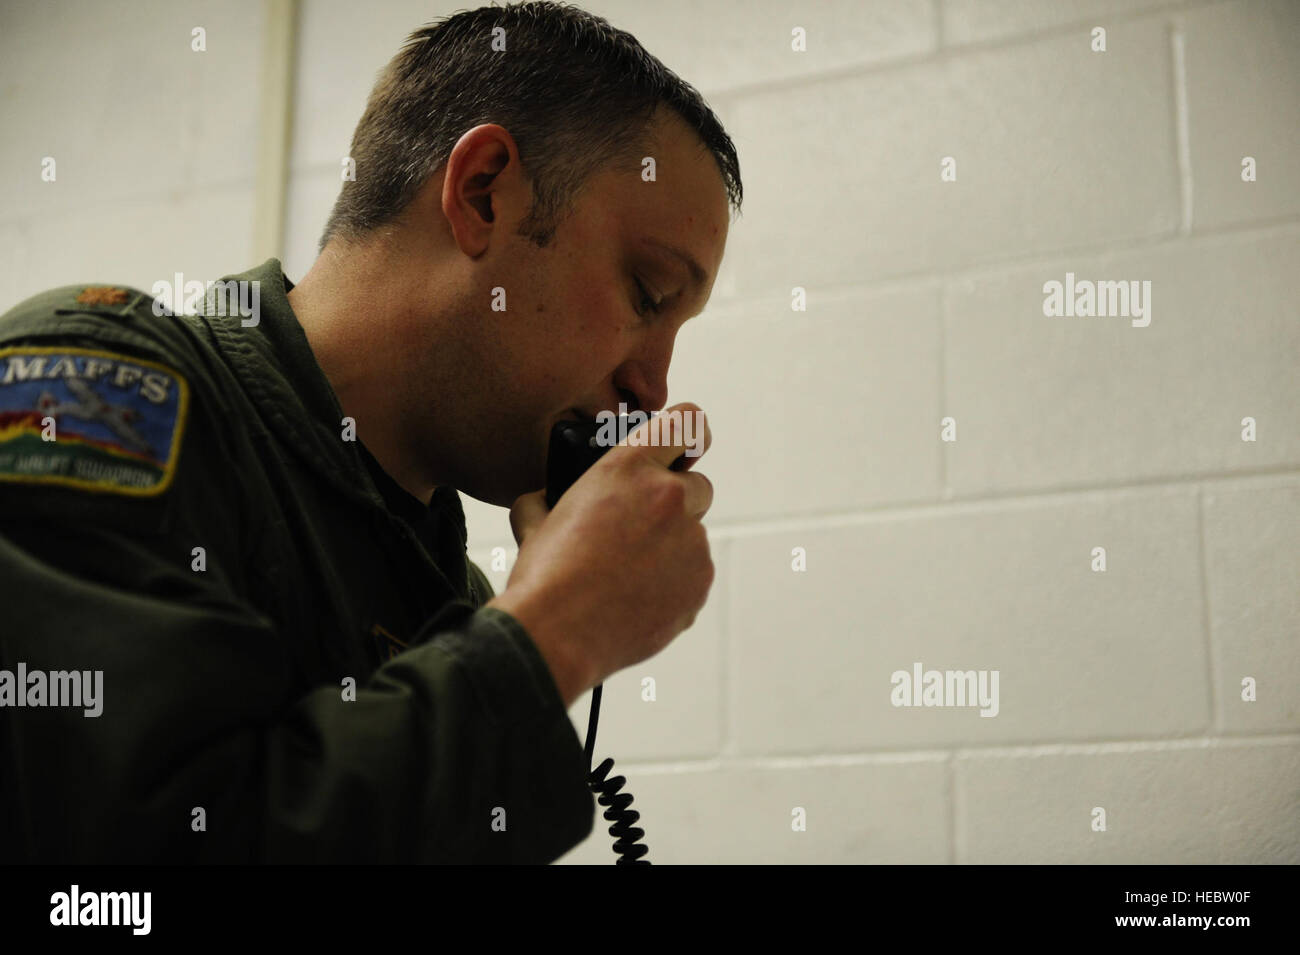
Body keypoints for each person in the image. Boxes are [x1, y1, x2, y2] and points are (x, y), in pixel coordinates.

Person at [0, 1, 740, 863]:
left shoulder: (452, 602)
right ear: (481, 192)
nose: (652, 390)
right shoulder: (97, 385)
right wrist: (555, 632)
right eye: (648, 296)